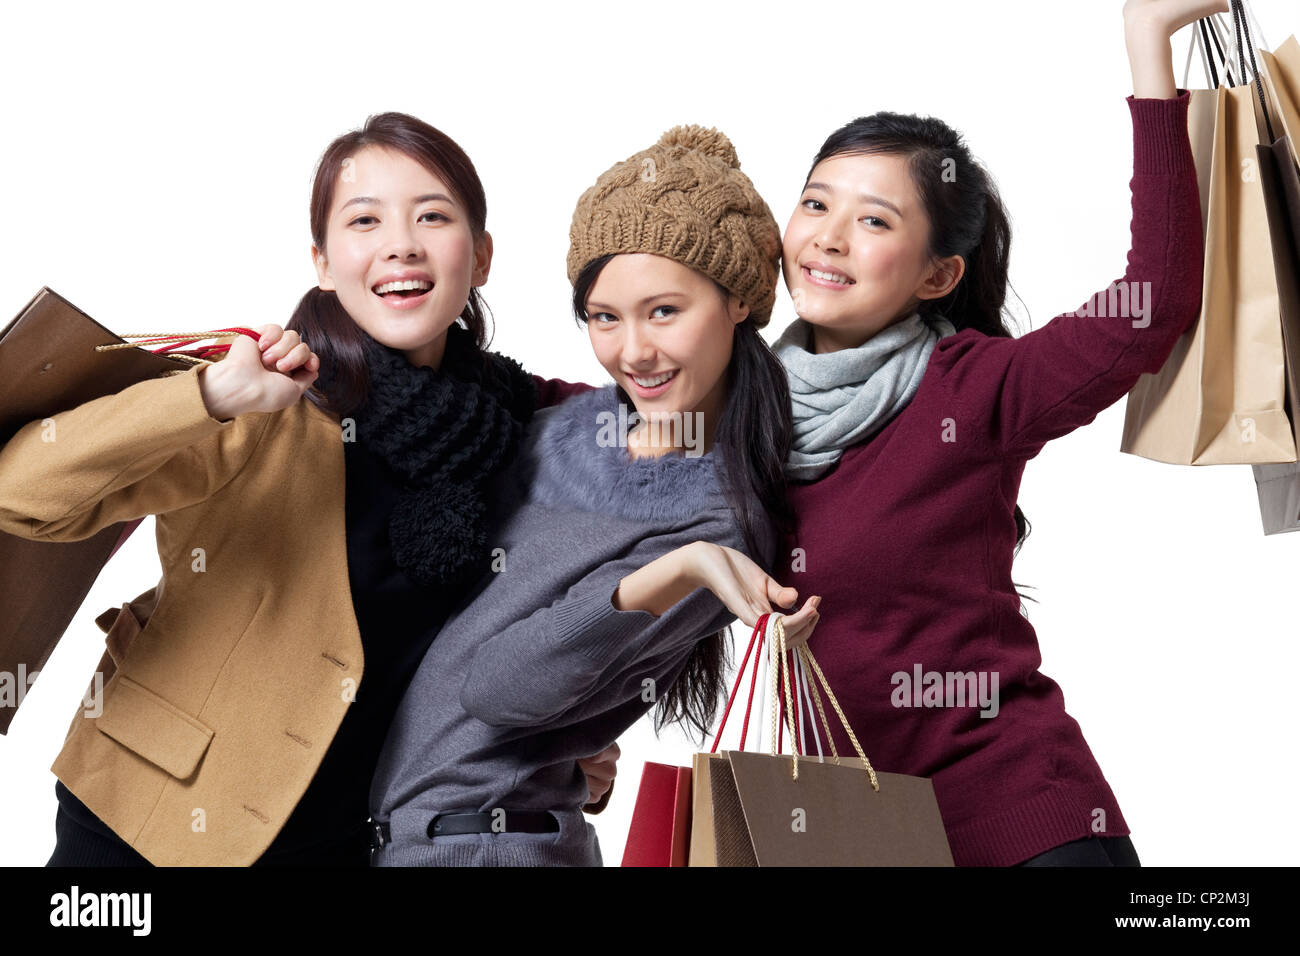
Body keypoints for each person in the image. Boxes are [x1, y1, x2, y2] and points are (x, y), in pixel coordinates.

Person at [0, 111, 614, 866]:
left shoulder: (523, 433)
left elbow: (522, 647)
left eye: (432, 215)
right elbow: (21, 492)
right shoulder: (263, 397)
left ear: (481, 257)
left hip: (360, 838)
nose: (401, 243)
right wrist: (211, 397)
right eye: (365, 220)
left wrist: (565, 749)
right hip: (157, 821)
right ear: (322, 261)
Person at [762, 0, 1221, 865]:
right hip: (855, 838)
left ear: (939, 273)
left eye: (874, 220)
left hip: (1025, 830)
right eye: (816, 202)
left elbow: (1152, 304)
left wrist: (1145, 41)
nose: (828, 237)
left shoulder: (975, 390)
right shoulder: (742, 404)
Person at [368, 125, 818, 866]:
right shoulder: (549, 433)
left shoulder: (717, 522)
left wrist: (679, 569)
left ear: (738, 301)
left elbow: (504, 688)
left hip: (483, 849)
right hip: (403, 839)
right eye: (604, 317)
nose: (633, 350)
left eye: (664, 311)